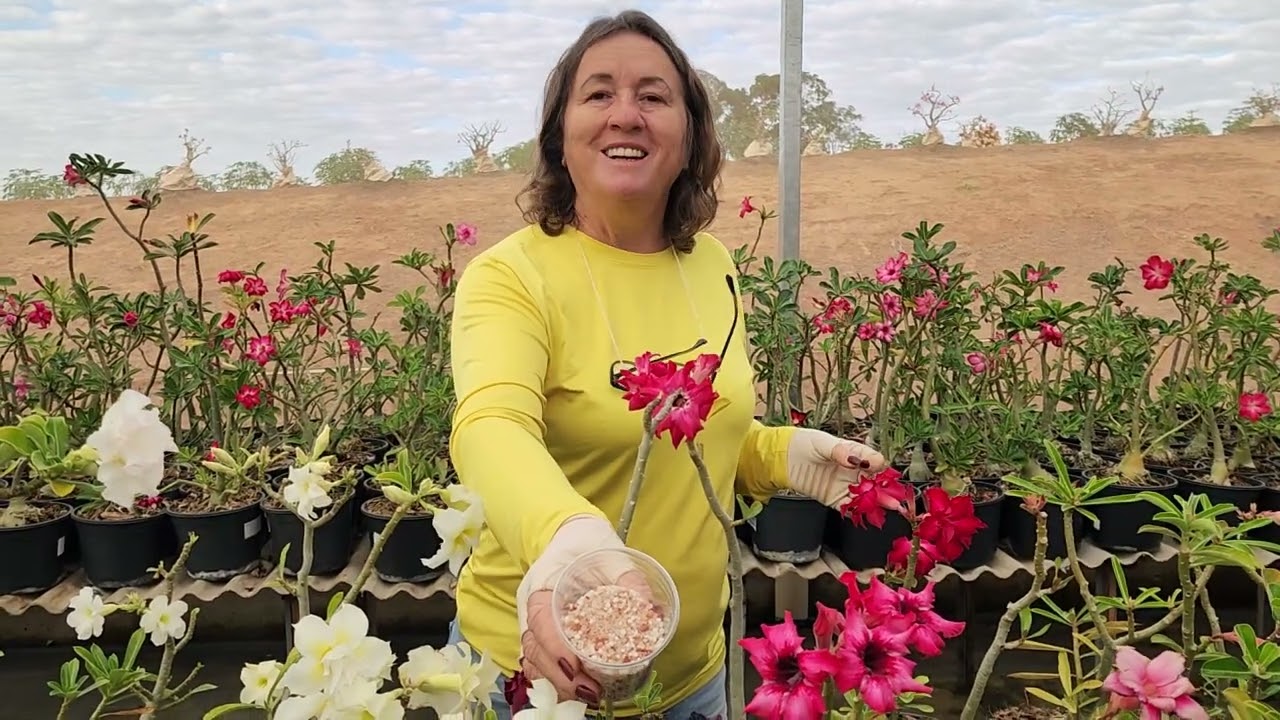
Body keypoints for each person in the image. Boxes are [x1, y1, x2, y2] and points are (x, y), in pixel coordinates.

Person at [447, 9, 887, 719]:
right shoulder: (511, 275)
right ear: (560, 136)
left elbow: (702, 436)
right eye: (598, 94)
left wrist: (783, 455)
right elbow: (490, 426)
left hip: (692, 677)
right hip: (536, 677)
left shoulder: (710, 264)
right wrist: (569, 538)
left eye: (653, 96)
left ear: (690, 138)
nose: (626, 114)